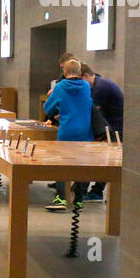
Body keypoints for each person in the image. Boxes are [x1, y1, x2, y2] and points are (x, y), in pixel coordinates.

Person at [43, 58, 94, 211]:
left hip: (67, 130)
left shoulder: (60, 87)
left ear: (64, 72)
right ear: (80, 73)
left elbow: (48, 107)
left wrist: (57, 114)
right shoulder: (86, 86)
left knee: (62, 164)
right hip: (85, 131)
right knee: (82, 164)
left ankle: (61, 199)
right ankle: (79, 200)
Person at [82, 64, 124, 202]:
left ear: (86, 76)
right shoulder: (98, 84)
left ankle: (97, 192)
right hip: (110, 125)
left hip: (115, 128)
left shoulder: (101, 88)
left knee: (108, 161)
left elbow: (92, 111)